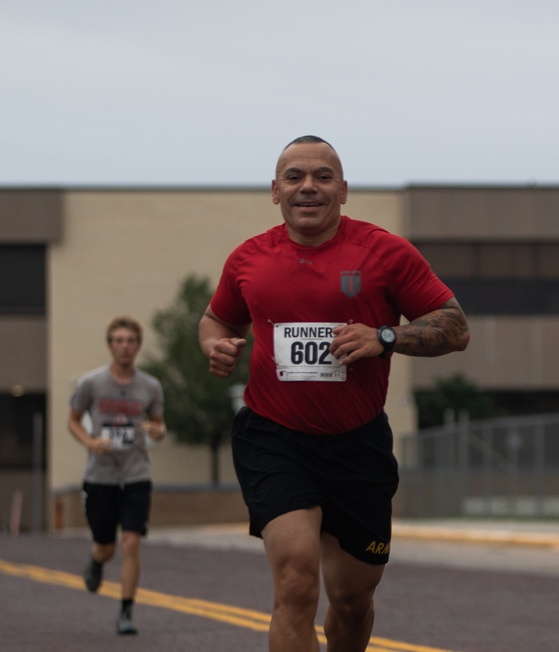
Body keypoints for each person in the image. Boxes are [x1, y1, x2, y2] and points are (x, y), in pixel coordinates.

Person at [199, 135, 470, 652]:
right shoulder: (249, 259)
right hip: (273, 437)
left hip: (357, 444)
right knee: (296, 585)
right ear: (274, 190)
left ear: (343, 191)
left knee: (350, 601)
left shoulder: (385, 252)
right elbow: (216, 318)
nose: (308, 187)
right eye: (294, 177)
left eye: (322, 177)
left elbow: (456, 327)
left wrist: (384, 337)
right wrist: (217, 346)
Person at [68, 315, 166, 636]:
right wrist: (90, 442)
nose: (125, 347)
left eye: (131, 341)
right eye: (119, 341)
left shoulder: (150, 386)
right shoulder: (91, 383)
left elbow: (159, 426)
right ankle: (96, 561)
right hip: (101, 476)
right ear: (110, 345)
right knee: (106, 546)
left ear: (138, 345)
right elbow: (72, 420)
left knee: (132, 543)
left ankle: (126, 612)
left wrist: (157, 430)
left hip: (136, 473)